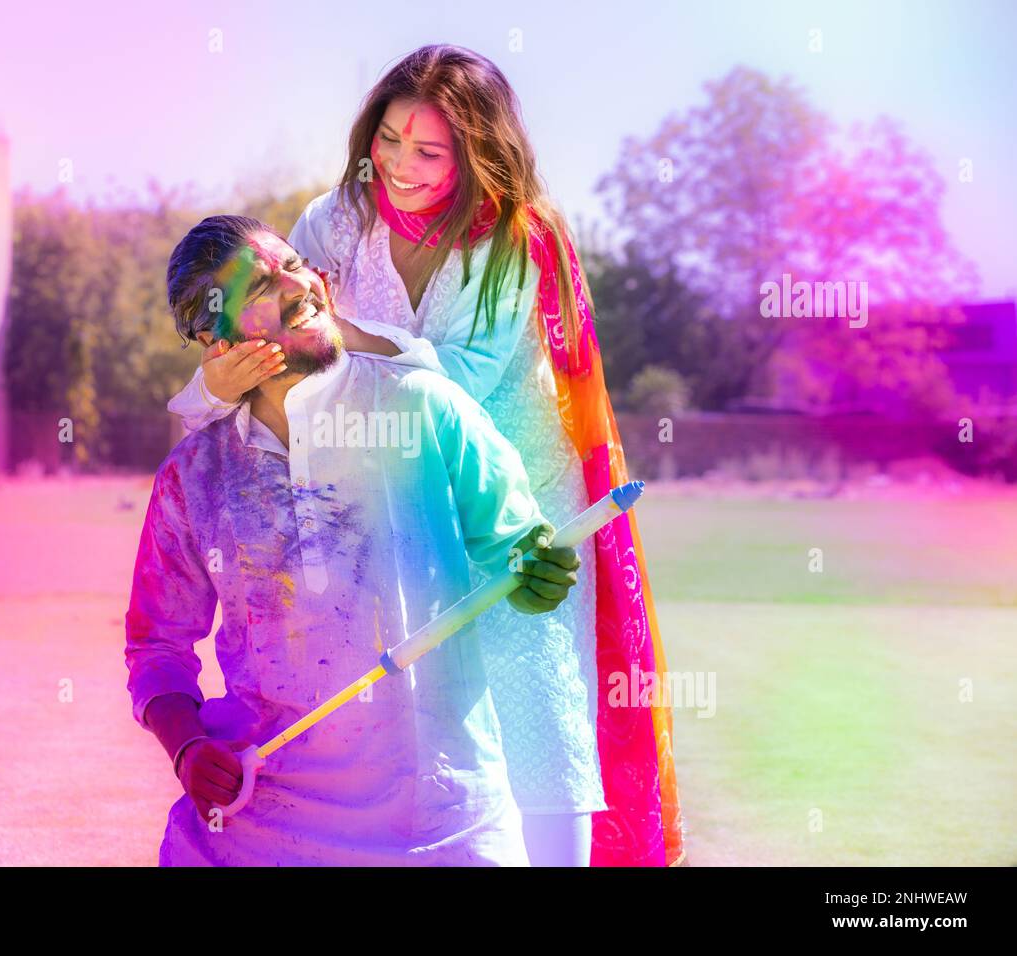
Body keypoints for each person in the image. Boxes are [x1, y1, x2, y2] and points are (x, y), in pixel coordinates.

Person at [168, 45, 685, 868]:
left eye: (430, 150)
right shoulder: (333, 220)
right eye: (389, 138)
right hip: (395, 506)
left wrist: (326, 335)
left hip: (514, 502)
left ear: (478, 156)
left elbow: (458, 383)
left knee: (533, 715)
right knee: (406, 719)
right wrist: (215, 380)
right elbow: (264, 354)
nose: (400, 166)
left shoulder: (518, 240)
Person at [127, 215, 585, 866]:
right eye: (261, 282)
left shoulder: (426, 406)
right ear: (213, 336)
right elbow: (156, 647)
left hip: (440, 820)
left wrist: (536, 568)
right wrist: (187, 748)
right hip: (258, 821)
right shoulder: (193, 476)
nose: (298, 282)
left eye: (292, 263)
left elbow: (516, 545)